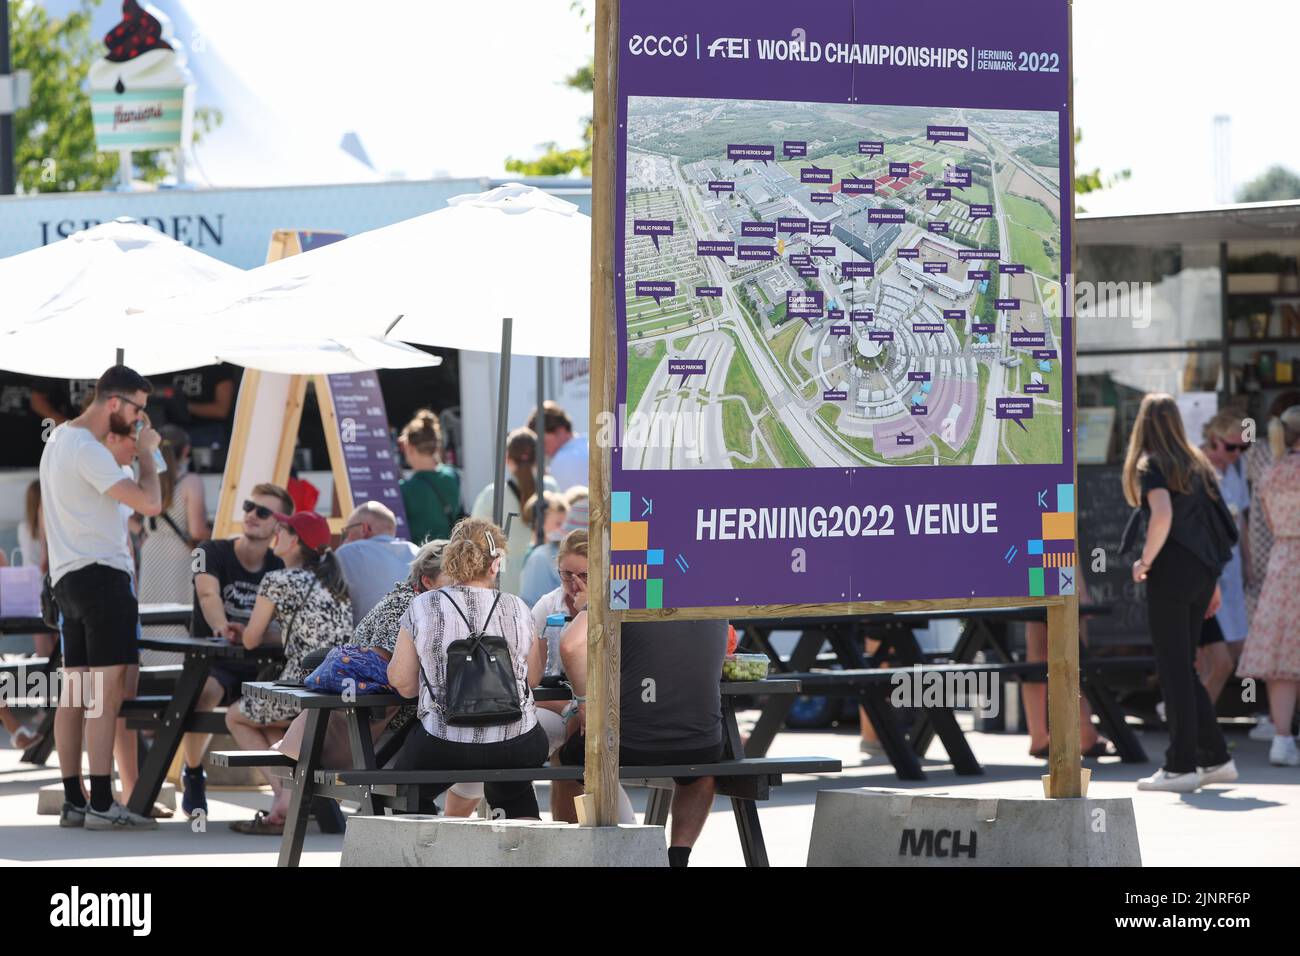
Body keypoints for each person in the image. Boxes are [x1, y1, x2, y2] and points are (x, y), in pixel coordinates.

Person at [40, 365, 163, 830]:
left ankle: (77, 799)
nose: (138, 421)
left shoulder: (59, 442)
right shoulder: (88, 449)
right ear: (114, 402)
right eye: (137, 410)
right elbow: (150, 503)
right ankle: (102, 803)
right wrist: (148, 455)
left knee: (76, 693)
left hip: (68, 578)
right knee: (103, 696)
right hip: (101, 577)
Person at [387, 518, 549, 819]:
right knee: (513, 786)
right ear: (495, 564)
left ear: (450, 560)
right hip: (518, 740)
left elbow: (403, 683)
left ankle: (429, 848)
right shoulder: (517, 607)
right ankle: (521, 839)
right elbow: (534, 678)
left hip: (444, 740)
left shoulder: (423, 606)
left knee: (407, 790)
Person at [1123, 393, 1236, 792]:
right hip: (1202, 574)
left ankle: (1180, 766)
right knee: (1184, 668)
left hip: (1170, 573)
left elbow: (1163, 515)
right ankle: (1216, 758)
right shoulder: (1198, 463)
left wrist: (1145, 562)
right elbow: (1215, 529)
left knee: (1174, 670)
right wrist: (1215, 584)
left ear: (1144, 424)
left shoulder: (1152, 464)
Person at [556, 613, 728, 867]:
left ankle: (578, 854)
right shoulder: (711, 598)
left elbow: (571, 646)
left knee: (568, 762)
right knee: (698, 774)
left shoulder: (628, 587)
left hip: (626, 742)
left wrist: (584, 702)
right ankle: (678, 857)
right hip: (701, 745)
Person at [226, 510, 352, 834]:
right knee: (271, 729)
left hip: (300, 690)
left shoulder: (278, 580)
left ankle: (285, 796)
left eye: (280, 529)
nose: (274, 534)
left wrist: (243, 632)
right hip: (336, 691)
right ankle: (283, 802)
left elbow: (252, 639)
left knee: (235, 716)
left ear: (295, 540)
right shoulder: (334, 582)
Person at [179, 482, 293, 817]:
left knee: (280, 710)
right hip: (214, 661)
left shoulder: (280, 565)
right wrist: (221, 627)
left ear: (279, 525)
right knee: (204, 694)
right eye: (248, 507)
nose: (252, 516)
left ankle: (286, 797)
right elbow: (208, 596)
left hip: (263, 664)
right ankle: (194, 772)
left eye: (263, 511)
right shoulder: (210, 550)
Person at [1237, 405, 1300, 766]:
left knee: (1281, 658)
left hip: (1282, 560)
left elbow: (1271, 523)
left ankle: (1281, 739)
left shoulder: (1272, 471)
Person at [1022, 577, 1114, 759]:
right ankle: (1085, 734)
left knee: (1038, 653)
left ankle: (1039, 737)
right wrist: (1082, 591)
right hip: (1054, 571)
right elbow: (1070, 551)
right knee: (1073, 652)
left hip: (1028, 568)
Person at [1195, 410, 1251, 704]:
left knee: (1231, 655)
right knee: (1216, 660)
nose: (1237, 453)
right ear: (1214, 441)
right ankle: (1198, 724)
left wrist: (1248, 561)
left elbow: (1241, 519)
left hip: (1230, 570)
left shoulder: (1235, 469)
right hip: (1208, 573)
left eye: (1243, 447)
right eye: (1231, 447)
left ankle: (1201, 723)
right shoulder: (1199, 470)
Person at [137, 426, 211, 650]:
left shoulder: (148, 479)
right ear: (186, 450)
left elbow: (133, 517)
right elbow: (197, 531)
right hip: (179, 554)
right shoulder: (191, 482)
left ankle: (152, 665)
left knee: (153, 615)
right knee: (179, 617)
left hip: (151, 551)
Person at [471, 427, 558, 597]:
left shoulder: (492, 494)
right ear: (538, 458)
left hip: (504, 580)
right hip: (545, 576)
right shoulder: (551, 488)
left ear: (507, 459)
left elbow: (474, 540)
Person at [336, 501, 419, 623]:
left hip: (364, 639)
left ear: (365, 528)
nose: (347, 537)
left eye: (347, 531)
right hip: (412, 639)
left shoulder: (348, 551)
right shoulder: (417, 552)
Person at [398, 409, 462, 545]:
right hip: (448, 555)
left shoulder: (405, 490)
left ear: (410, 448)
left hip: (421, 559)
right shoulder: (453, 476)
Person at [153, 364, 239, 452]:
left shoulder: (219, 367)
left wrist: (184, 406)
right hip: (165, 425)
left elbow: (221, 411)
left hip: (205, 430)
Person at [18, 479, 55, 657]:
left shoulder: (23, 529)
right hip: (48, 585)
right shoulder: (48, 530)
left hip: (30, 589)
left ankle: (45, 682)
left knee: (41, 642)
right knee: (58, 641)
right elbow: (44, 563)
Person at [518, 491, 568, 606]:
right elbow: (530, 603)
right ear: (539, 523)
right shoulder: (539, 557)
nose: (564, 529)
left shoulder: (557, 552)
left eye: (566, 523)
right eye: (558, 524)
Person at [528, 401, 588, 493]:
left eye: (544, 443)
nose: (543, 451)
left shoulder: (561, 460)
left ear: (560, 430)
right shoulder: (588, 441)